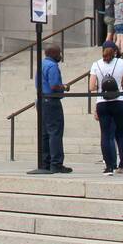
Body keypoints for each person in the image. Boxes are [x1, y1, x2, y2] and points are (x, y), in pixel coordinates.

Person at [90, 41, 123, 176]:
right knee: (122, 134)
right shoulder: (121, 63)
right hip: (119, 101)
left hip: (102, 102)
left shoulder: (96, 64)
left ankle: (109, 166)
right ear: (115, 51)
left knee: (106, 135)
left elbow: (92, 87)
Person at [38, 44, 71, 173]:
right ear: (53, 54)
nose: (60, 56)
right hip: (51, 101)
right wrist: (65, 87)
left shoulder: (41, 64)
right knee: (55, 133)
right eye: (59, 53)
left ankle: (45, 163)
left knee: (45, 133)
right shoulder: (52, 66)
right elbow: (54, 86)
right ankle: (56, 163)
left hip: (42, 100)